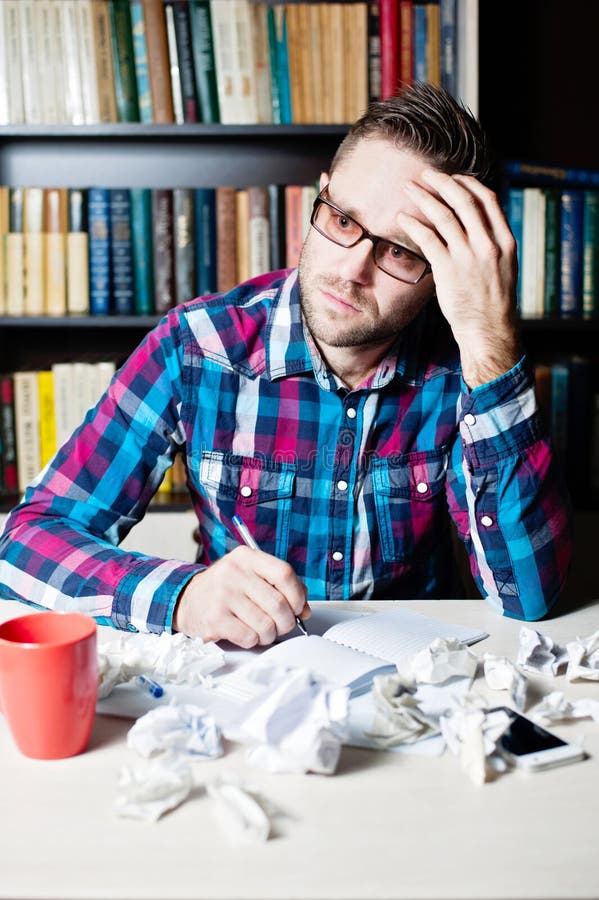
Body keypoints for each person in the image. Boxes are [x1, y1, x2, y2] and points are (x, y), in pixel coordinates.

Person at [0, 82, 572, 648]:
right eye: (343, 221)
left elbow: (527, 598)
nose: (352, 271)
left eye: (399, 252)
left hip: (416, 693)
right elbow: (26, 545)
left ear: (446, 270)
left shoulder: (468, 367)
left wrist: (490, 342)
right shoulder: (196, 346)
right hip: (242, 686)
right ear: (319, 198)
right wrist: (183, 597)